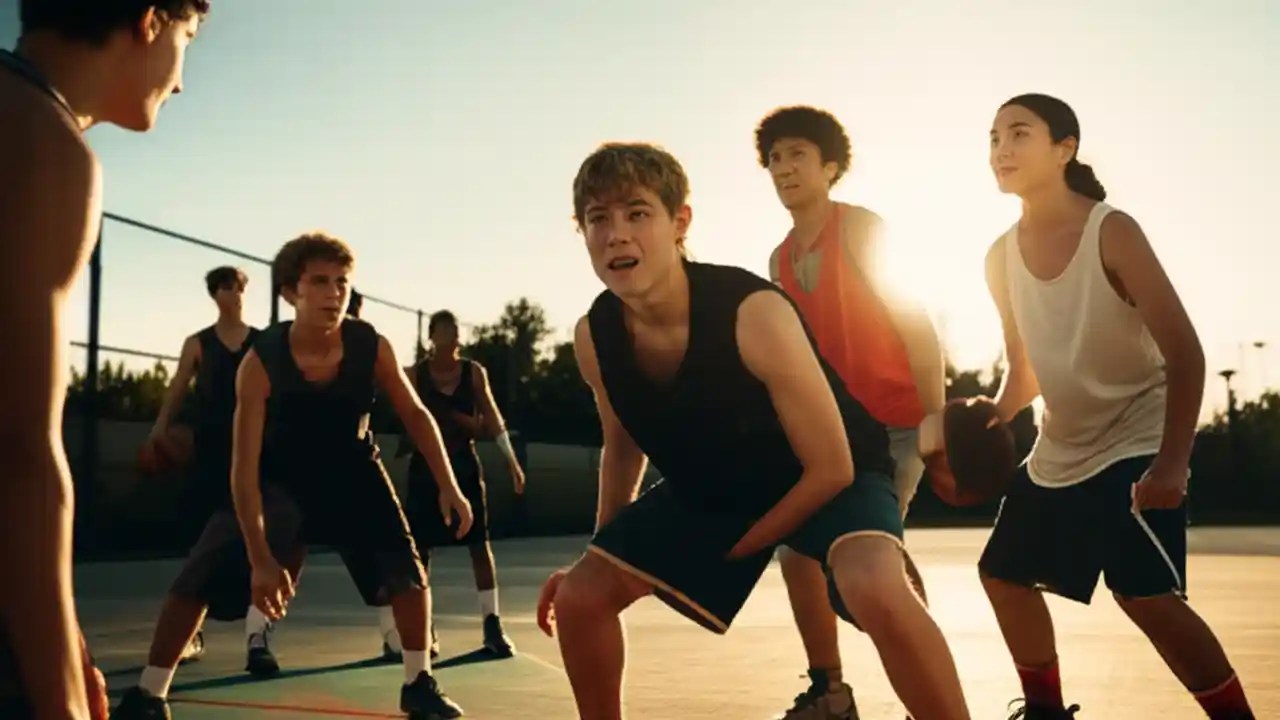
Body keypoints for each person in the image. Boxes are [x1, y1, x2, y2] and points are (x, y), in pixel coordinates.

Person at [535, 142, 971, 720]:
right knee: (581, 597)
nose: (616, 234)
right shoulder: (595, 336)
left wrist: (740, 548)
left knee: (871, 583)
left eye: (637, 213)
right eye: (598, 219)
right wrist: (606, 553)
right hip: (717, 485)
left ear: (679, 222)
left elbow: (831, 467)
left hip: (831, 472)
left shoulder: (753, 311)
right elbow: (623, 445)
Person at [979, 93, 1255, 720]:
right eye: (994, 138)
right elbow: (1023, 372)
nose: (1001, 150)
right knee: (1001, 574)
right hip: (1062, 446)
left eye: (1019, 134)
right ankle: (1046, 712)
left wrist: (1172, 464)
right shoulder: (999, 256)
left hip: (1137, 436)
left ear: (1064, 148)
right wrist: (986, 413)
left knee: (1143, 595)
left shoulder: (1112, 230)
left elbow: (1185, 354)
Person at [112, 233, 468, 719]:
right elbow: (243, 466)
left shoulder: (370, 345)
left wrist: (450, 485)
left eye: (342, 282)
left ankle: (419, 682)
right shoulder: (261, 363)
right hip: (278, 477)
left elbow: (417, 415)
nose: (334, 293)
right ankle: (149, 693)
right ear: (288, 293)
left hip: (354, 471)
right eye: (319, 282)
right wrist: (260, 558)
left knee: (406, 570)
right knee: (201, 570)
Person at [0, 1, 209, 715]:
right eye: (189, 39)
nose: (181, 81)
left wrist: (67, 637)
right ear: (150, 21)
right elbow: (17, 452)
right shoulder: (42, 139)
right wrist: (57, 688)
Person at [757, 105, 946, 719]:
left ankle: (932, 687)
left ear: (830, 168)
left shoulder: (861, 229)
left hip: (895, 425)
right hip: (833, 435)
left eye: (797, 156)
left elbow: (916, 325)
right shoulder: (778, 261)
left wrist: (935, 420)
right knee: (797, 556)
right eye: (775, 158)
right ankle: (829, 691)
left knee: (864, 578)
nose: (783, 168)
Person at [141, 266, 282, 674]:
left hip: (255, 452)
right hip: (209, 456)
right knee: (200, 546)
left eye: (239, 287)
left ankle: (258, 639)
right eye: (226, 287)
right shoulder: (198, 343)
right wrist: (159, 428)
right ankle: (191, 634)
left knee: (259, 545)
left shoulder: (263, 343)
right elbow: (178, 386)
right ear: (214, 295)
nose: (234, 293)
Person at [379, 310, 526, 661]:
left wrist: (511, 461)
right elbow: (404, 415)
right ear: (432, 337)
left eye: (455, 329)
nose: (452, 335)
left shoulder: (474, 373)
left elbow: (491, 416)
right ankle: (421, 628)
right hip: (426, 467)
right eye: (444, 330)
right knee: (420, 551)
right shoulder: (415, 375)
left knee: (479, 544)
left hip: (462, 465)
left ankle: (492, 625)